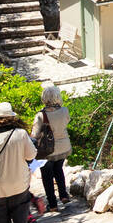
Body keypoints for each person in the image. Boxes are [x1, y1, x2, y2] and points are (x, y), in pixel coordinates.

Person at [32, 82, 72, 212]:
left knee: (47, 176)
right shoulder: (65, 110)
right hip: (63, 147)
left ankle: (53, 204)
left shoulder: (40, 115)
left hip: (47, 150)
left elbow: (35, 134)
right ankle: (64, 195)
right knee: (58, 170)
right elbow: (66, 122)